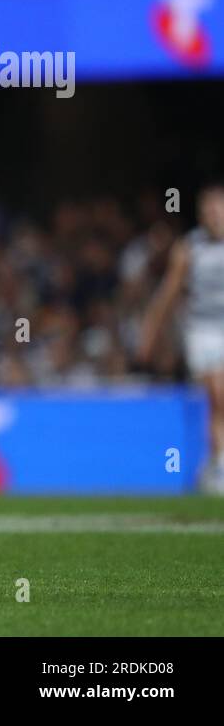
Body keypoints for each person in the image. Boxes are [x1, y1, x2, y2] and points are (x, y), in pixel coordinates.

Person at [138, 181, 224, 494]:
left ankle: (215, 464)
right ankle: (219, 467)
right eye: (208, 209)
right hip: (203, 331)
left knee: (219, 405)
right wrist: (151, 328)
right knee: (217, 392)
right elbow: (169, 292)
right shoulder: (190, 247)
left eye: (218, 207)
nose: (214, 214)